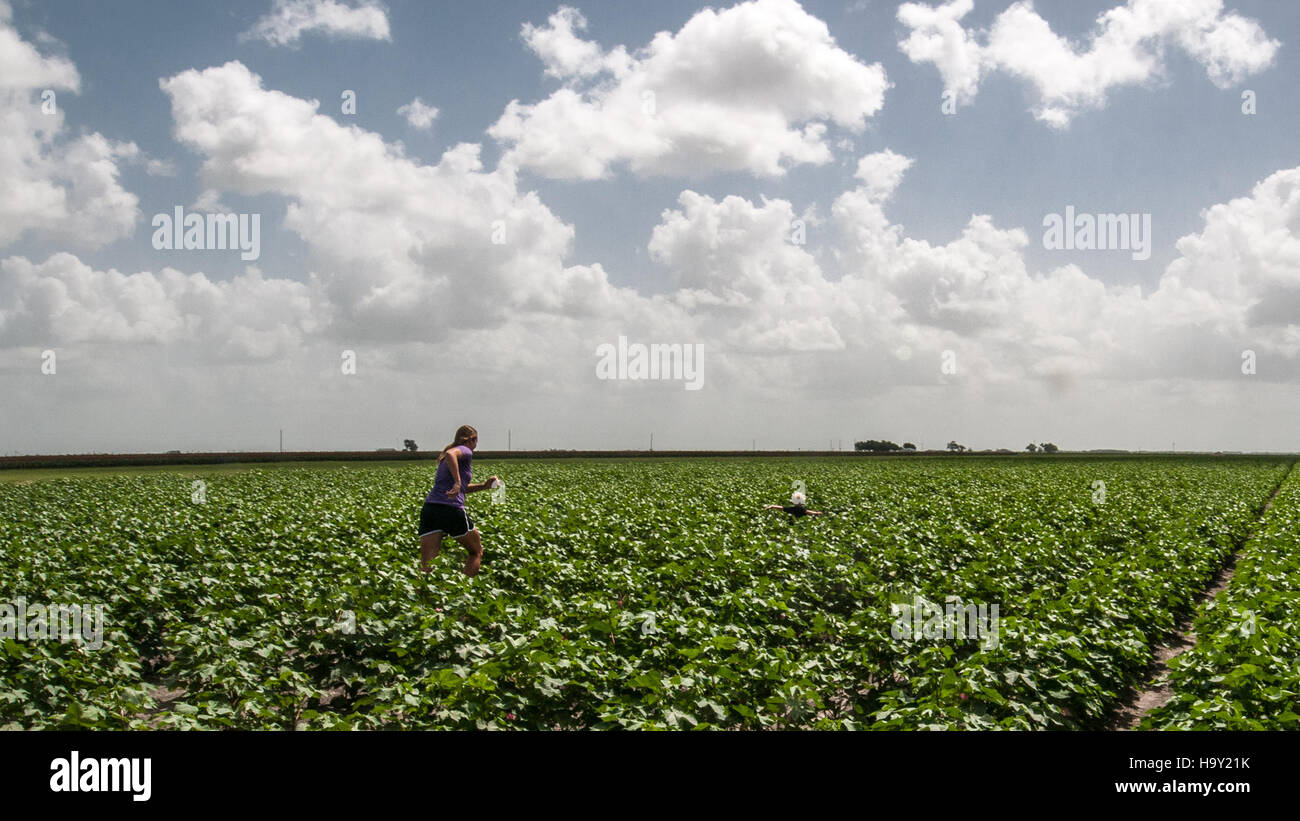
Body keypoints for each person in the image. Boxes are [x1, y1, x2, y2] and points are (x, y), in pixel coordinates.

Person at [418, 425, 498, 576]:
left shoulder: (447, 460)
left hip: (430, 509)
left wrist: (484, 486)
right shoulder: (465, 450)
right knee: (476, 551)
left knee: (427, 567)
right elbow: (450, 454)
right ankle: (463, 593)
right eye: (476, 441)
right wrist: (457, 482)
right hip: (450, 510)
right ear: (472, 440)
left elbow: (462, 488)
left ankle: (423, 597)